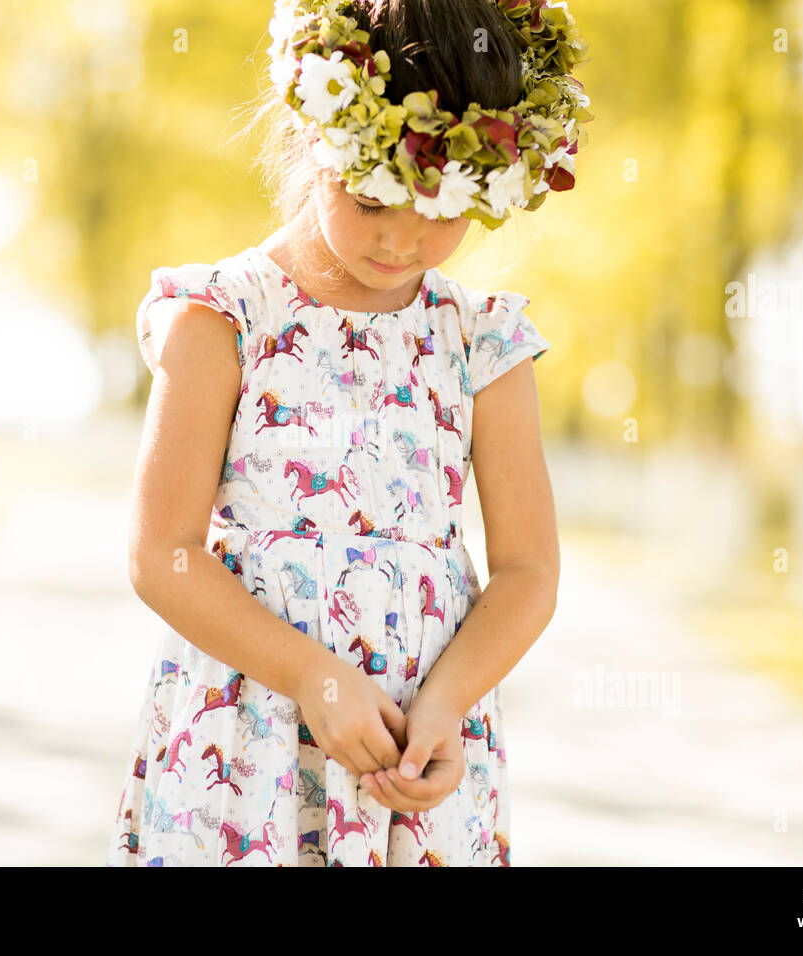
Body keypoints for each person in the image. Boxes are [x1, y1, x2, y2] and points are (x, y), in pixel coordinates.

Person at [105, 0, 592, 866]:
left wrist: (446, 706)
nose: (403, 239)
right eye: (373, 197)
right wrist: (313, 679)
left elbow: (528, 569)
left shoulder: (484, 344)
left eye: (441, 206)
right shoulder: (221, 319)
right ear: (311, 133)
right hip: (245, 751)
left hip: (416, 752)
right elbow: (162, 553)